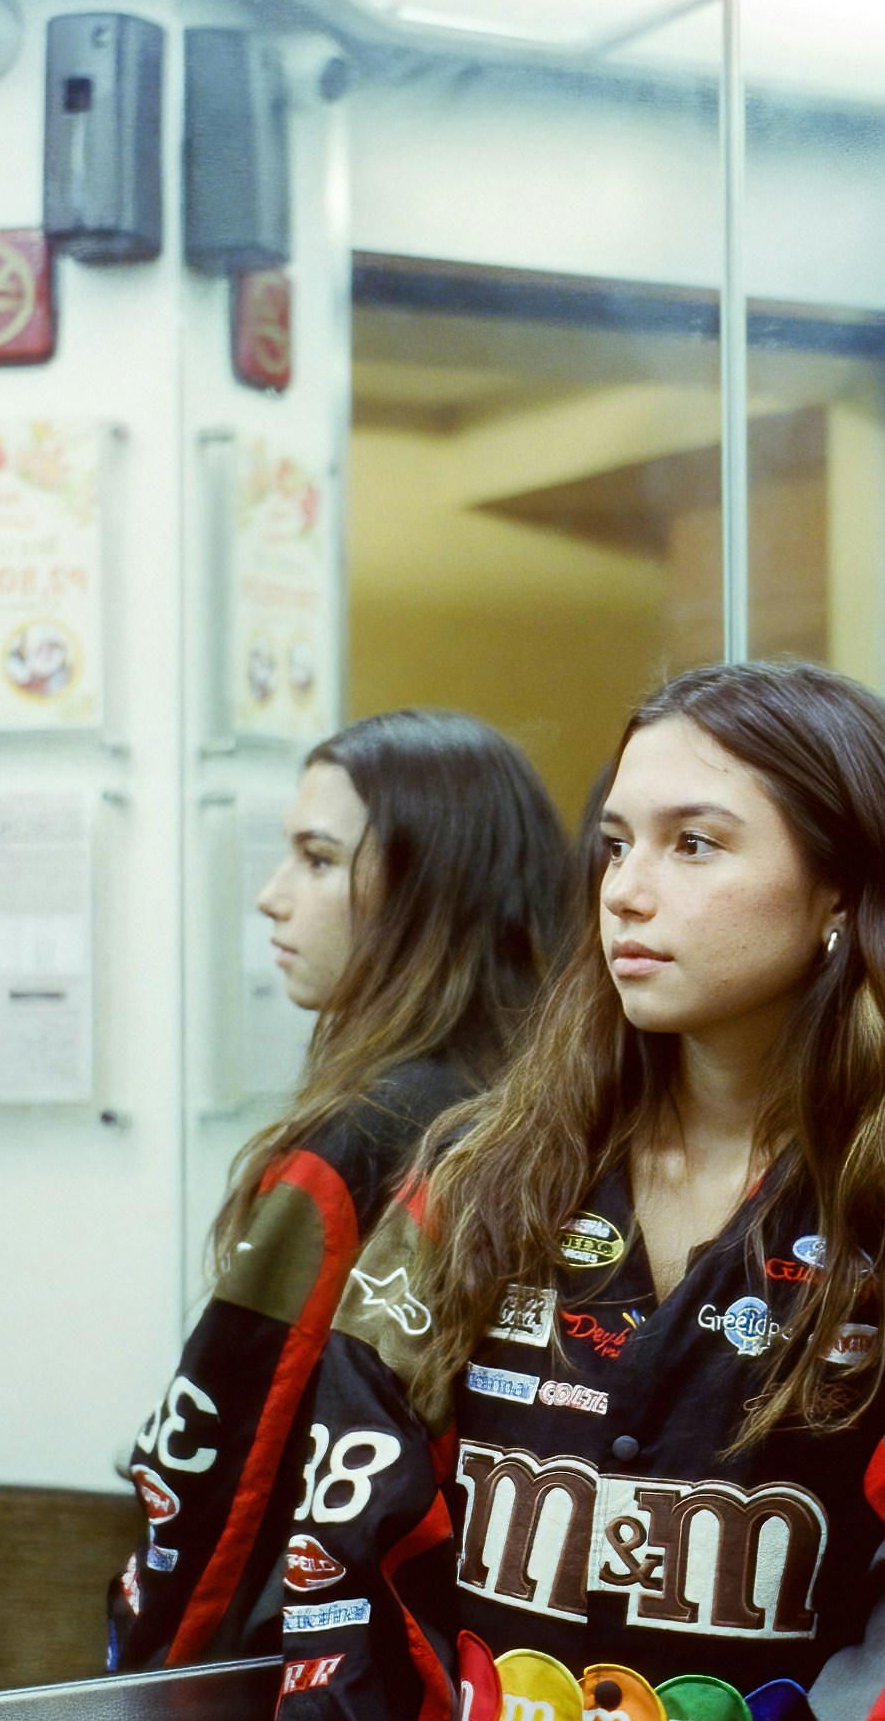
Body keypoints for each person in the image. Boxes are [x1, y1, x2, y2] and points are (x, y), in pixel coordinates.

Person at [227, 661, 885, 1721]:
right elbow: (351, 1591)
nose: (627, 888)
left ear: (842, 888)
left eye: (697, 844)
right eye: (616, 842)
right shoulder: (473, 1193)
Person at [109, 709, 572, 1670]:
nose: (274, 899)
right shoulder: (551, 1110)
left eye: (318, 860)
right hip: (480, 1676)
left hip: (308, 1683)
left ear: (428, 888)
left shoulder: (365, 1137)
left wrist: (146, 1706)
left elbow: (221, 1467)